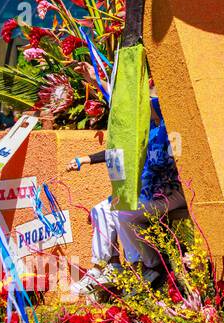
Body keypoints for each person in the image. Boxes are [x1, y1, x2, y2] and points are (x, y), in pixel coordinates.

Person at [66, 97, 183, 294]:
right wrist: (84, 160)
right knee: (100, 209)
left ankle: (147, 266)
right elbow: (118, 151)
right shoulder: (146, 130)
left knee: (124, 212)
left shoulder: (173, 128)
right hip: (146, 192)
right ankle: (105, 267)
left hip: (170, 193)